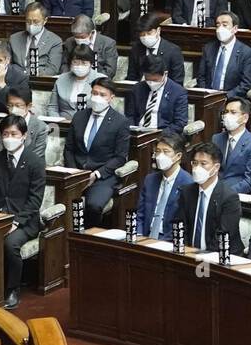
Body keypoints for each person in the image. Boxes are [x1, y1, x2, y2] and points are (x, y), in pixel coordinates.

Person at [0, 115, 45, 309]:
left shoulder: (35, 161)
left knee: (10, 243)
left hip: (25, 220)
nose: (9, 137)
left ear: (23, 136)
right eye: (5, 133)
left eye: (14, 134)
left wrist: (16, 222)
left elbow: (35, 200)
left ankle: (12, 289)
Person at [66, 77, 130, 224]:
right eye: (95, 93)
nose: (97, 98)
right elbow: (69, 148)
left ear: (111, 98)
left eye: (102, 95)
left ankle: (89, 240)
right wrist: (73, 171)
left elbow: (120, 157)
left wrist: (97, 173)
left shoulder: (120, 122)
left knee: (93, 206)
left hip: (103, 176)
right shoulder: (79, 116)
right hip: (76, 173)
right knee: (62, 203)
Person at [177, 141, 243, 253]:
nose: (197, 168)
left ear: (216, 167)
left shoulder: (229, 197)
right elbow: (182, 227)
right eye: (195, 163)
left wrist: (199, 257)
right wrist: (186, 253)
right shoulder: (187, 192)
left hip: (221, 257)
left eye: (203, 164)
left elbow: (222, 237)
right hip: (189, 255)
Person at [136, 132, 192, 239]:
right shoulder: (150, 180)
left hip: (169, 242)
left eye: (166, 152)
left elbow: (184, 226)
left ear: (178, 156)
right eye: (157, 151)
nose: (160, 156)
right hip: (144, 238)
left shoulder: (188, 184)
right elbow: (140, 215)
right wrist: (138, 236)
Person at [195, 13, 251, 98]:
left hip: (232, 98)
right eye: (218, 25)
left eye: (225, 25)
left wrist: (225, 97)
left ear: (235, 29)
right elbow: (201, 77)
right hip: (208, 98)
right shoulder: (208, 48)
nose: (220, 28)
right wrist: (207, 95)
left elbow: (245, 84)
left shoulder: (246, 52)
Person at [125, 53, 187, 133]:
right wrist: (133, 130)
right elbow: (130, 115)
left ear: (165, 74)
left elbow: (180, 124)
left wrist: (158, 134)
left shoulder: (178, 92)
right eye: (148, 79)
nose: (151, 83)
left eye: (155, 80)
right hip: (138, 133)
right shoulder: (137, 89)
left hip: (163, 135)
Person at [213, 96, 251, 194]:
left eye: (233, 112)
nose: (227, 116)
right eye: (226, 112)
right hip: (214, 190)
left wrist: (225, 193)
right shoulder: (216, 139)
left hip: (235, 195)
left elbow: (250, 181)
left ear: (245, 118)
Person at [128, 13, 185, 84]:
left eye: (149, 33)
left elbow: (178, 82)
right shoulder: (136, 50)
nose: (145, 37)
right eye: (142, 34)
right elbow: (131, 78)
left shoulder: (173, 51)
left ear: (158, 30)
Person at [60, 13, 117, 79]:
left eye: (82, 37)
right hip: (73, 80)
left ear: (92, 33)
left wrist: (93, 80)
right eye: (76, 36)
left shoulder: (108, 43)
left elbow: (110, 70)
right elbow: (64, 64)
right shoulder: (69, 42)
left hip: (98, 82)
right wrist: (67, 77)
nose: (79, 39)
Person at [10, 3, 62, 76]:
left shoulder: (55, 41)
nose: (31, 25)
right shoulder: (14, 38)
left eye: (35, 21)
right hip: (16, 81)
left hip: (39, 82)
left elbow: (52, 69)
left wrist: (27, 73)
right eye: (28, 21)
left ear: (45, 20)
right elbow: (8, 64)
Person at [1, 90, 48, 163]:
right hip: (6, 167)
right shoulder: (4, 123)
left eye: (18, 106)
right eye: (10, 105)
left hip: (30, 169)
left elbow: (36, 157)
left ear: (29, 106)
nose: (13, 110)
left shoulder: (41, 127)